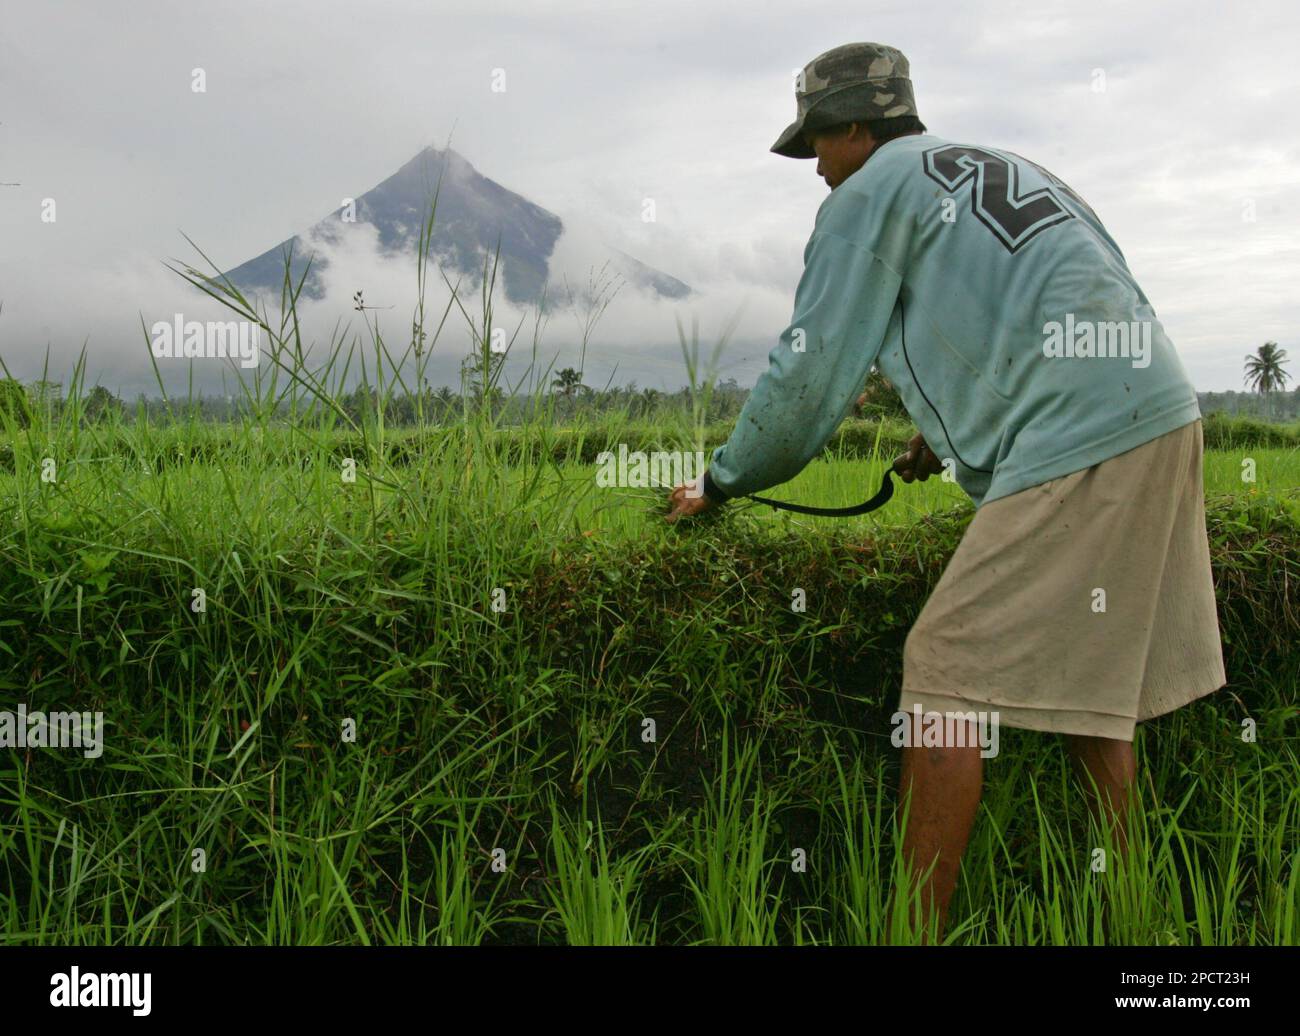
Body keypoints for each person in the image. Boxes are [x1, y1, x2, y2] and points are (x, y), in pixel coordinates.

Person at [666, 41, 1227, 942]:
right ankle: (1132, 909)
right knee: (1098, 675)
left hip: (1078, 437)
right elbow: (1062, 291)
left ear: (857, 126)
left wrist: (722, 481)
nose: (816, 168)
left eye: (818, 143)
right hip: (1162, 411)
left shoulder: (867, 198)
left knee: (943, 675)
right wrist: (947, 428)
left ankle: (912, 928)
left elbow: (806, 382)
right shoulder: (1003, 164)